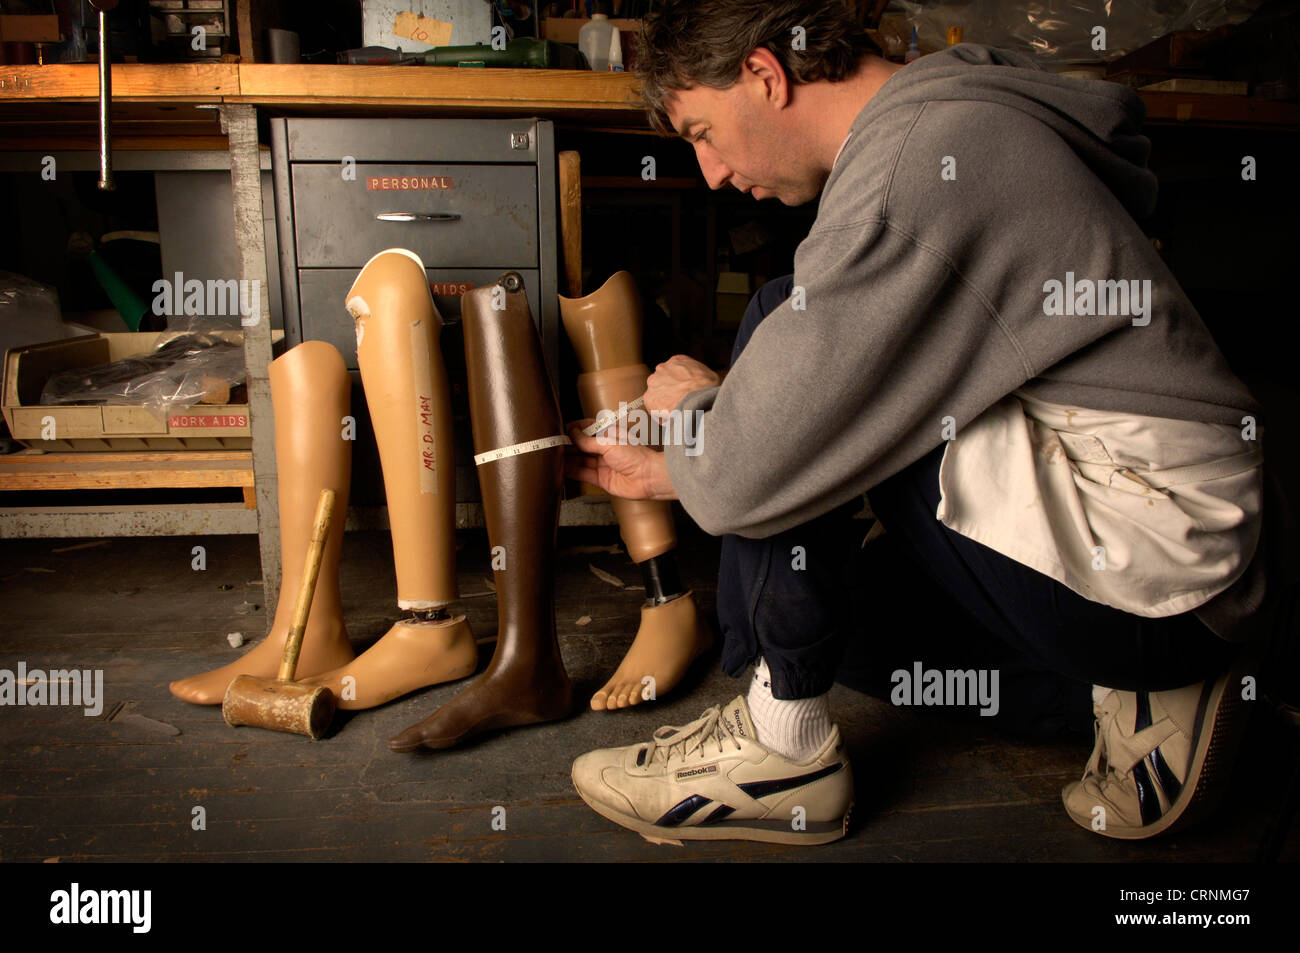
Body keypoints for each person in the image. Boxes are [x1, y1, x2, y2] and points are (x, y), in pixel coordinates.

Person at [565, 0, 1284, 846]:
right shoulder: (950, 115)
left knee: (777, 320)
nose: (714, 174)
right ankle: (1141, 692)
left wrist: (696, 419)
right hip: (1166, 561)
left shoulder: (920, 163)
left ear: (764, 74)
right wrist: (703, 452)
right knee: (844, 629)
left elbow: (761, 464)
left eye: (701, 132)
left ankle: (777, 749)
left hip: (1160, 571)